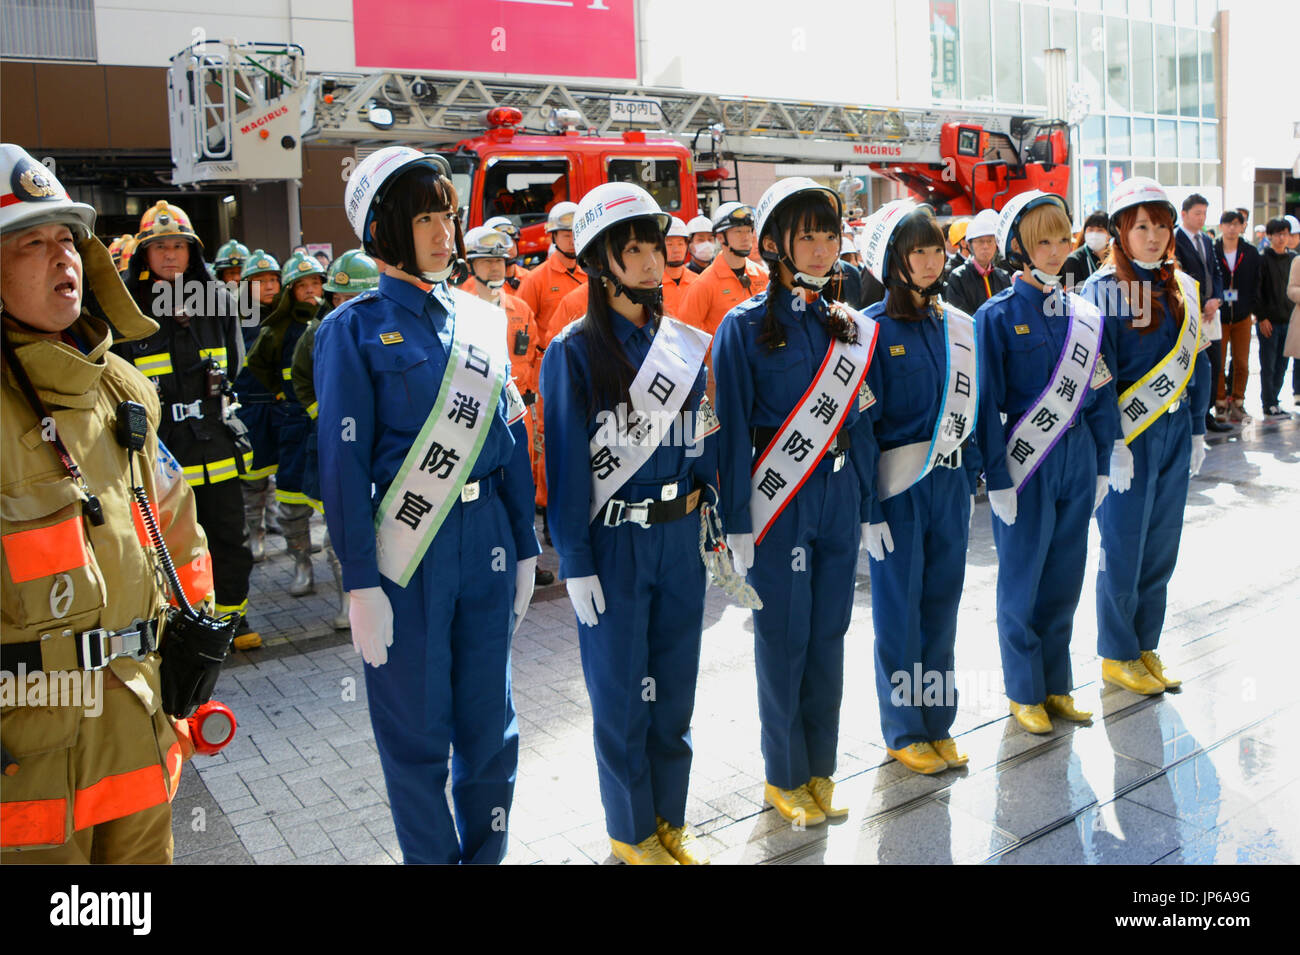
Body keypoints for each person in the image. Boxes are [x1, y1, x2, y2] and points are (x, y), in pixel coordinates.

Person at [316, 147, 538, 864]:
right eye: (424, 218)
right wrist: (359, 580)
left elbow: (507, 434)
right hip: (406, 555)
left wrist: (526, 542)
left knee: (492, 730)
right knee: (416, 741)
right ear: (383, 229)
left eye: (448, 215)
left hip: (487, 544)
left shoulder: (477, 320)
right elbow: (343, 465)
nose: (446, 233)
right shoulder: (350, 330)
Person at [1, 142, 213, 863]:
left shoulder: (122, 388)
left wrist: (193, 667)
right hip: (24, 754)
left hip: (137, 719)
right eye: (31, 242)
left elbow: (177, 533)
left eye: (67, 238)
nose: (61, 258)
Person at [541, 182, 715, 865]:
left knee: (674, 690)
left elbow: (698, 439)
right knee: (622, 696)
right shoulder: (574, 352)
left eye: (654, 246)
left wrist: (716, 516)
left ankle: (671, 817)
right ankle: (631, 828)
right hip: (614, 542)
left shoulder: (679, 345)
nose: (650, 262)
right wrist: (575, 560)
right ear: (599, 262)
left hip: (681, 536)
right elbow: (564, 464)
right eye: (633, 249)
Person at [714, 178, 877, 820]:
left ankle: (821, 769)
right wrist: (735, 526)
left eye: (828, 234)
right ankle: (785, 776)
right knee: (784, 639)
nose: (819, 248)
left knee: (829, 634)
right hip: (778, 504)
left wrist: (867, 507)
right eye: (805, 235)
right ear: (775, 243)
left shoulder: (846, 325)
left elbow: (859, 421)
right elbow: (727, 429)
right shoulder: (743, 325)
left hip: (837, 496)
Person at [975, 191, 1117, 734]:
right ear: (1019, 247)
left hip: (1078, 455)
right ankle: (1024, 691)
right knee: (1021, 579)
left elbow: (1100, 384)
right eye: (1043, 241)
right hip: (1027, 461)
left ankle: (1057, 685)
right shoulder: (997, 315)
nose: (1057, 251)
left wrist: (1106, 455)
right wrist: (997, 476)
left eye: (1063, 239)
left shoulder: (1083, 311)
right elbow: (986, 404)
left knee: (1065, 574)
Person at [855, 200, 982, 774]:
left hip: (950, 487)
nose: (932, 261)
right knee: (901, 612)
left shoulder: (954, 324)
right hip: (899, 491)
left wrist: (975, 474)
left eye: (936, 248)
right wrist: (868, 509)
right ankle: (905, 728)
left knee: (942, 607)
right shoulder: (871, 331)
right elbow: (861, 427)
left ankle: (939, 721)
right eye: (918, 251)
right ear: (892, 260)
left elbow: (974, 406)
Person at [1079, 176, 1212, 696]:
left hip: (1176, 429)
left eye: (1161, 225)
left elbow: (1198, 362)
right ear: (1119, 231)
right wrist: (1110, 442)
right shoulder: (1102, 290)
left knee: (1161, 543)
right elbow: (1096, 373)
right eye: (1141, 227)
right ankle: (1117, 652)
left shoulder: (1179, 284)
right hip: (1129, 438)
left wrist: (1199, 427)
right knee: (1123, 544)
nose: (1153, 236)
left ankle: (1144, 643)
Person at [117, 200, 258, 649]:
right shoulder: (127, 309)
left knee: (230, 537)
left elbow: (233, 362)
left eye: (178, 245)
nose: (170, 254)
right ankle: (184, 626)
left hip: (215, 441)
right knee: (167, 545)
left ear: (192, 252)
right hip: (162, 452)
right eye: (160, 247)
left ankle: (233, 620)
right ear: (145, 254)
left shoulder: (215, 300)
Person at [290, 249, 382, 630]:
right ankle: (349, 598)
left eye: (355, 297)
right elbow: (300, 382)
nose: (345, 305)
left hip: (383, 446)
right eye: (339, 298)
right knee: (339, 526)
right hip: (337, 444)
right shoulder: (316, 336)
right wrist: (324, 419)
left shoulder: (389, 333)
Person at [461, 225, 554, 585]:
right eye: (487, 261)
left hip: (521, 413)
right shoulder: (456, 305)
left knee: (522, 483)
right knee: (482, 481)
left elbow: (533, 359)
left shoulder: (519, 308)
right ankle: (482, 556)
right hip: (477, 411)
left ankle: (526, 555)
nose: (496, 268)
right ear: (471, 264)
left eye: (500, 261)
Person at [246, 251, 326, 596]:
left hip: (330, 422)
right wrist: (281, 392)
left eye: (316, 283)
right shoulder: (276, 329)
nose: (310, 291)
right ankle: (301, 563)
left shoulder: (336, 320)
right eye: (302, 285)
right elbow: (256, 364)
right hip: (294, 421)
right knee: (292, 502)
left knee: (334, 503)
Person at [233, 251, 281, 566]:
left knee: (286, 475)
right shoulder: (234, 318)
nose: (268, 286)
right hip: (251, 408)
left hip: (283, 408)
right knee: (253, 479)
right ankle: (256, 534)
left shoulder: (289, 316)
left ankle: (293, 540)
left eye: (273, 280)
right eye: (259, 281)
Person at [1174, 194, 1229, 433]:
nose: (1202, 218)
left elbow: (1216, 272)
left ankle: (1206, 414)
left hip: (1211, 313)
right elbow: (1180, 276)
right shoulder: (1175, 239)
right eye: (1197, 213)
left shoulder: (1206, 240)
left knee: (1214, 364)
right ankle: (1192, 417)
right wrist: (1202, 303)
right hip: (1190, 312)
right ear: (1184, 214)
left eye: (1205, 213)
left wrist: (1216, 299)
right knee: (1194, 366)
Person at [678, 202, 769, 336]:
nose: (746, 237)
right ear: (720, 237)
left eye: (749, 231)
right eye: (738, 231)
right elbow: (685, 335)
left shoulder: (763, 276)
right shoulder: (704, 284)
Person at [1213, 210, 1261, 423]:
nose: (1231, 228)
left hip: (1242, 316)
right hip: (1219, 316)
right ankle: (1220, 403)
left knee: (1242, 362)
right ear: (1221, 226)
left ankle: (1238, 402)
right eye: (1227, 224)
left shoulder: (1250, 252)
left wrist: (1253, 309)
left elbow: (1257, 283)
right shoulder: (1213, 249)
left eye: (1236, 224)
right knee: (1219, 362)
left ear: (1242, 226)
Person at [517, 200, 585, 347]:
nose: (572, 241)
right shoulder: (535, 279)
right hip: (548, 358)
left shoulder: (592, 276)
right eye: (567, 236)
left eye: (576, 234)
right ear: (554, 237)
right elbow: (520, 324)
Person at [1257, 217, 1296, 419]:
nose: (1282, 238)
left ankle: (1275, 400)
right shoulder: (1262, 259)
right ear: (1269, 236)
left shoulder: (1294, 259)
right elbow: (1257, 291)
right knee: (1268, 364)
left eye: (1285, 234)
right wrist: (1262, 317)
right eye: (1278, 234)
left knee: (1283, 364)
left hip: (1289, 321)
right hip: (1269, 321)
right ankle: (1268, 402)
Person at [944, 208, 1010, 315]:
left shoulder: (1003, 277)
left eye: (990, 241)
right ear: (969, 245)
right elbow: (960, 317)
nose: (986, 246)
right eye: (980, 241)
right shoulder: (958, 278)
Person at [1062, 210, 1110, 292]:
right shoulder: (1073, 261)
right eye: (1090, 230)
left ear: (1109, 234)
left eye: (1100, 230)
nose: (1094, 235)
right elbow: (1073, 296)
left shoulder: (1116, 258)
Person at [661, 215, 699, 316]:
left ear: (687, 246)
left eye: (680, 244)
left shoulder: (698, 282)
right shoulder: (654, 285)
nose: (676, 250)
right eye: (669, 244)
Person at [483, 215, 532, 288]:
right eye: (503, 244)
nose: (509, 248)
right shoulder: (479, 284)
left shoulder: (531, 278)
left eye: (511, 242)